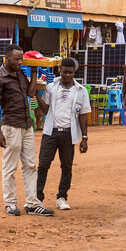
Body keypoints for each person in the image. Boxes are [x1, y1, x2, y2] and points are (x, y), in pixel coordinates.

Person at [0, 45, 52, 216]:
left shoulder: (20, 73)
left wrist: (33, 71)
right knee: (10, 167)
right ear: (6, 58)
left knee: (30, 165)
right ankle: (10, 203)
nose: (19, 61)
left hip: (27, 125)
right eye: (16, 59)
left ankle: (32, 203)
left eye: (21, 58)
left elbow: (30, 93)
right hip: (11, 126)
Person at [34, 57, 91, 211]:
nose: (67, 75)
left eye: (70, 73)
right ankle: (37, 198)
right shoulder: (51, 87)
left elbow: (83, 115)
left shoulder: (81, 91)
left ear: (74, 73)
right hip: (50, 132)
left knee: (66, 166)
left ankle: (62, 197)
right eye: (64, 72)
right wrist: (38, 96)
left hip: (68, 134)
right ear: (60, 71)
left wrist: (84, 138)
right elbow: (46, 110)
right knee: (43, 165)